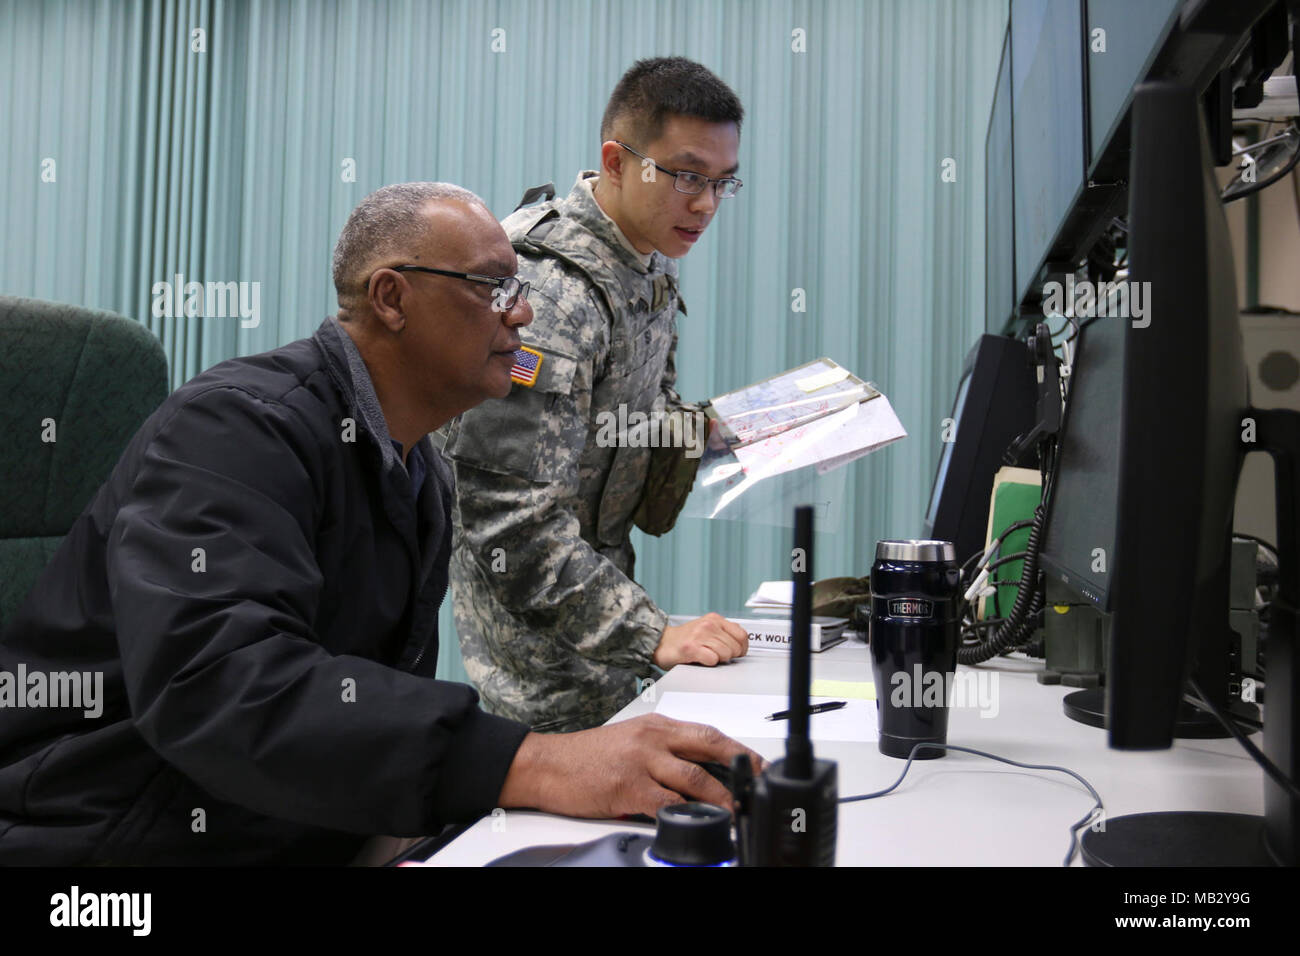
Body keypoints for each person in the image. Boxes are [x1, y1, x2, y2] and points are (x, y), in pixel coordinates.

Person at [0, 182, 760, 866]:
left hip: (286, 827)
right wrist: (532, 763)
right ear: (391, 298)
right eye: (493, 288)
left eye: (519, 289)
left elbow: (358, 705)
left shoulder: (415, 463)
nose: (523, 311)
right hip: (112, 841)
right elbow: (219, 684)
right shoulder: (234, 428)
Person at [443, 57, 751, 733]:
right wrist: (652, 632)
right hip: (539, 659)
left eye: (723, 184)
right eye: (688, 176)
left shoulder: (646, 256)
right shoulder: (549, 293)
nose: (705, 204)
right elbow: (507, 521)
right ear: (617, 161)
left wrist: (734, 431)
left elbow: (624, 423)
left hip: (602, 607)